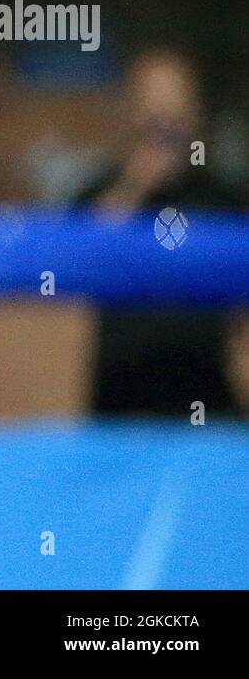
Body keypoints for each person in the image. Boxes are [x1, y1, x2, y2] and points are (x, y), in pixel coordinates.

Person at [74, 46, 248, 416]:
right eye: (154, 112)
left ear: (195, 115)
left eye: (176, 111)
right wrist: (136, 185)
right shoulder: (97, 193)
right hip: (121, 399)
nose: (165, 127)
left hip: (206, 403)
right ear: (131, 113)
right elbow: (76, 257)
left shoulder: (222, 199)